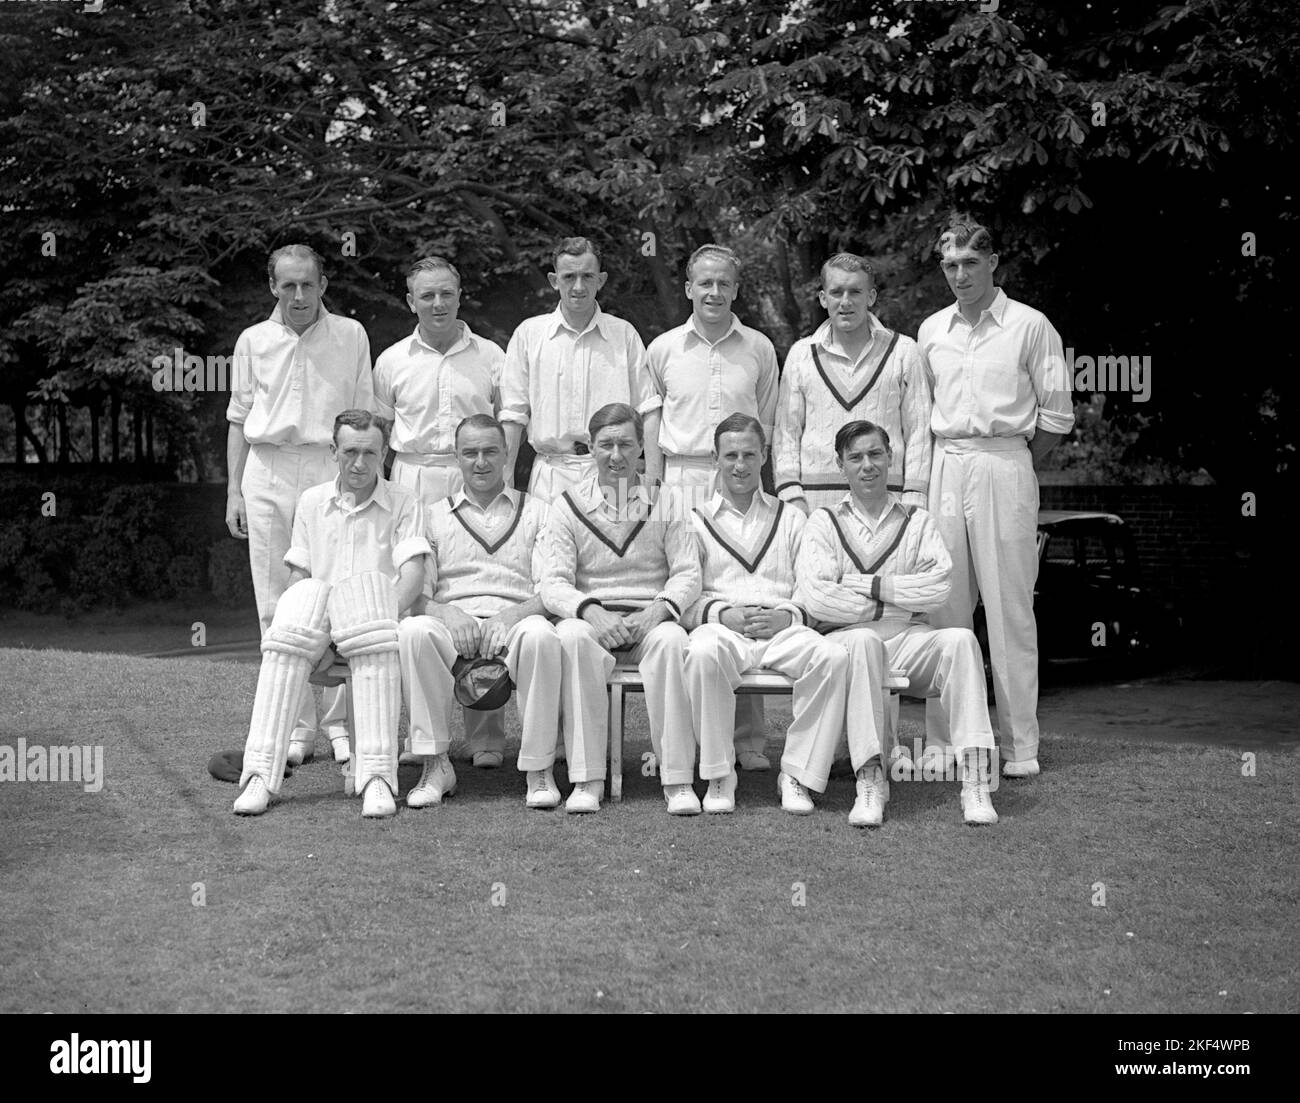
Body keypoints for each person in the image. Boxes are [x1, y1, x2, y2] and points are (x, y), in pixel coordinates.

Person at [916, 217, 1074, 779]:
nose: (960, 275)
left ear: (993, 264)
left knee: (1010, 612)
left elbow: (1056, 415)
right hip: (945, 465)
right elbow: (923, 412)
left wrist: (1016, 468)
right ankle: (942, 743)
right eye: (950, 265)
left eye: (970, 264)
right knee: (944, 611)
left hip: (1006, 461)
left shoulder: (1031, 326)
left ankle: (1018, 748)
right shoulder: (931, 330)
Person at [794, 420, 998, 826]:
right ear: (841, 465)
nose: (867, 465)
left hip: (910, 639)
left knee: (960, 640)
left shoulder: (917, 520)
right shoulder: (822, 521)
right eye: (855, 458)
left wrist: (867, 584)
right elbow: (817, 597)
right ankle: (871, 780)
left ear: (891, 457)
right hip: (848, 643)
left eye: (875, 454)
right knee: (867, 642)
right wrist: (898, 601)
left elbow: (939, 587)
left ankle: (975, 781)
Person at [232, 410, 429, 819]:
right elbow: (298, 576)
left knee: (369, 597)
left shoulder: (404, 501)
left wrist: (366, 626)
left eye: (370, 453)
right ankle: (258, 774)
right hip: (318, 625)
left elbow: (411, 579)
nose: (360, 463)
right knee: (294, 617)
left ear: (384, 454)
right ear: (333, 451)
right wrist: (310, 635)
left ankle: (376, 776)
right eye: (351, 452)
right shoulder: (310, 501)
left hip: (375, 626)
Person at [225, 244, 375, 767]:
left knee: (337, 595)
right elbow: (239, 418)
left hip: (327, 468)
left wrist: (361, 477)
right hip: (265, 471)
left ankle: (339, 725)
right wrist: (232, 491)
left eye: (308, 284)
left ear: (323, 284)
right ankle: (293, 726)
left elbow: (363, 413)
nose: (299, 295)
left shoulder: (351, 334)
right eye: (288, 285)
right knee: (275, 602)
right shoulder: (253, 340)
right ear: (272, 287)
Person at [646, 243, 781, 770]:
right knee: (683, 608)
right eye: (705, 283)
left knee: (742, 594)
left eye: (724, 283)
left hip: (740, 476)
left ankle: (746, 741)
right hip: (681, 478)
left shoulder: (760, 349)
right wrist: (654, 489)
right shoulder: (662, 349)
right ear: (688, 288)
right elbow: (651, 425)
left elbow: (766, 421)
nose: (715, 293)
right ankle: (673, 746)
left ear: (736, 289)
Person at [373, 255, 510, 768]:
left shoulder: (492, 356)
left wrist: (506, 480)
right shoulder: (390, 361)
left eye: (446, 293)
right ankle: (422, 736)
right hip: (412, 478)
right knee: (417, 603)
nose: (437, 303)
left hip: (474, 475)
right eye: (426, 295)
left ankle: (486, 736)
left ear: (459, 295)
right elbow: (380, 435)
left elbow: (508, 426)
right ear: (410, 301)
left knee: (479, 591)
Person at [681, 414, 848, 815]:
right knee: (701, 653)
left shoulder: (791, 517)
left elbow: (813, 588)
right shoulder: (693, 520)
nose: (740, 465)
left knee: (833, 657)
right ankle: (719, 773)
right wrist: (721, 614)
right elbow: (683, 593)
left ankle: (797, 774)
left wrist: (789, 617)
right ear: (715, 459)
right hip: (723, 631)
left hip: (781, 631)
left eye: (749, 454)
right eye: (731, 455)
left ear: (765, 457)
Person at [540, 403, 700, 815]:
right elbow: (552, 582)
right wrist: (590, 611)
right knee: (571, 637)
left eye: (626, 445)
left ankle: (678, 779)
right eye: (606, 445)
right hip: (593, 622)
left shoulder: (667, 499)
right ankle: (587, 778)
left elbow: (687, 573)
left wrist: (657, 611)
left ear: (641, 448)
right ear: (591, 448)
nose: (617, 455)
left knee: (672, 641)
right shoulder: (567, 505)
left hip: (650, 622)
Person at [397, 415, 562, 810]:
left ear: (507, 454)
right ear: (456, 458)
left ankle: (539, 769)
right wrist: (449, 615)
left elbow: (554, 589)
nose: (481, 461)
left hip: (517, 624)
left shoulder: (541, 510)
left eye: (490, 451)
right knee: (414, 631)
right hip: (454, 627)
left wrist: (510, 618)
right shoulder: (431, 514)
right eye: (470, 453)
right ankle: (435, 765)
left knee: (541, 633)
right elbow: (415, 594)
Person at [499, 237, 662, 503]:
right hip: (550, 478)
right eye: (569, 276)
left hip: (613, 473)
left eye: (587, 276)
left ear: (601, 280)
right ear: (554, 280)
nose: (578, 286)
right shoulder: (529, 334)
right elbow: (513, 415)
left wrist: (654, 480)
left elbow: (648, 409)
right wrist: (505, 481)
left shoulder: (624, 334)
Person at [773, 252, 931, 512]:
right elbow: (786, 433)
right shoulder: (802, 354)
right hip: (815, 506)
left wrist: (914, 496)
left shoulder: (903, 351)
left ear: (871, 297)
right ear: (823, 298)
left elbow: (919, 432)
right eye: (837, 292)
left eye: (855, 292)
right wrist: (791, 496)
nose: (845, 302)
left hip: (888, 504)